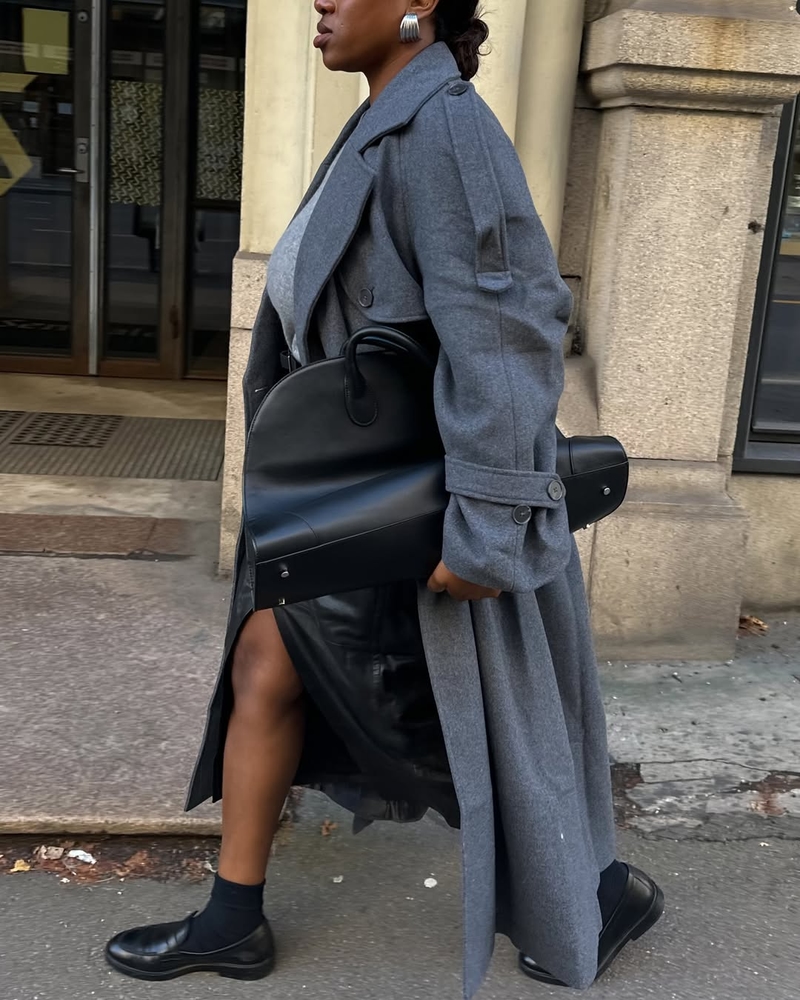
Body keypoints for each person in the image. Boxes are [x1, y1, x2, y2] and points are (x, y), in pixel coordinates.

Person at [104, 0, 664, 992]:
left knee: (480, 721)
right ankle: (233, 918)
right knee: (268, 668)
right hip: (351, 491)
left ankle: (595, 893)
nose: (319, 0)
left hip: (419, 500)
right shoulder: (386, 121)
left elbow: (509, 327)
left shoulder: (445, 128)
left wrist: (488, 528)